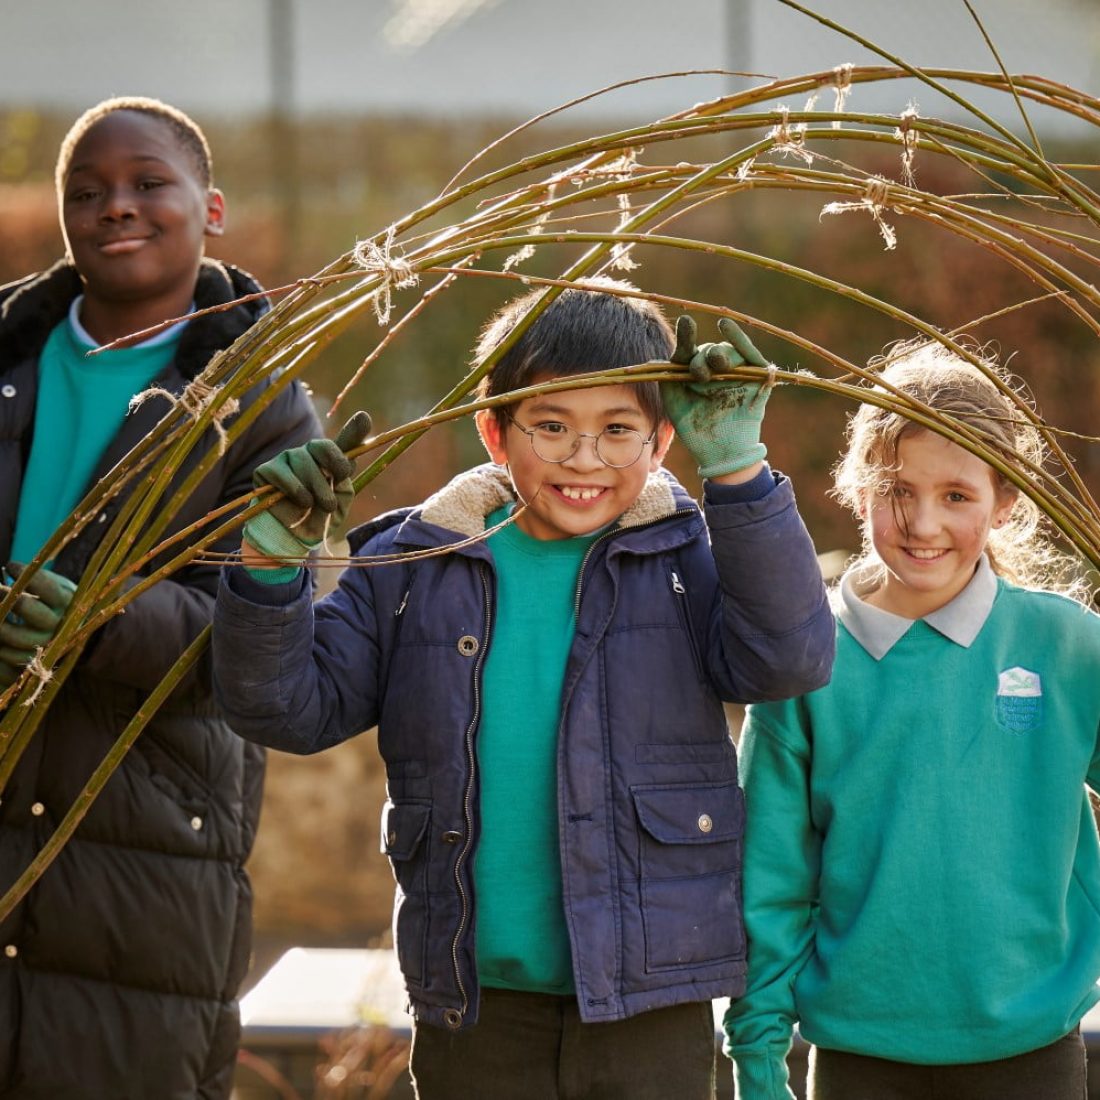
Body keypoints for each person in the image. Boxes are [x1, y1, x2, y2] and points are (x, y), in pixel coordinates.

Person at [211, 279, 835, 1100]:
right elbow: (283, 707)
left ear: (663, 440)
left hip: (652, 1000)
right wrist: (267, 572)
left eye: (618, 431)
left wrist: (742, 475)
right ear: (494, 433)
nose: (585, 460)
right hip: (473, 1005)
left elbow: (787, 658)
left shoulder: (688, 558)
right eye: (551, 427)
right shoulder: (411, 566)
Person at [0, 96, 321, 1099]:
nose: (115, 207)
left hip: (142, 834)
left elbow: (251, 635)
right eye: (85, 193)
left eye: (148, 183)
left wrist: (95, 624)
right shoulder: (6, 354)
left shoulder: (260, 399)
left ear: (210, 208)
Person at [724, 340, 1100, 1100]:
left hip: (1034, 1050)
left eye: (957, 496)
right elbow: (767, 877)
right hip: (862, 1058)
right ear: (858, 493)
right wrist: (759, 1058)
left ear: (1007, 500)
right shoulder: (806, 662)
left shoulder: (1068, 644)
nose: (924, 522)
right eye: (898, 490)